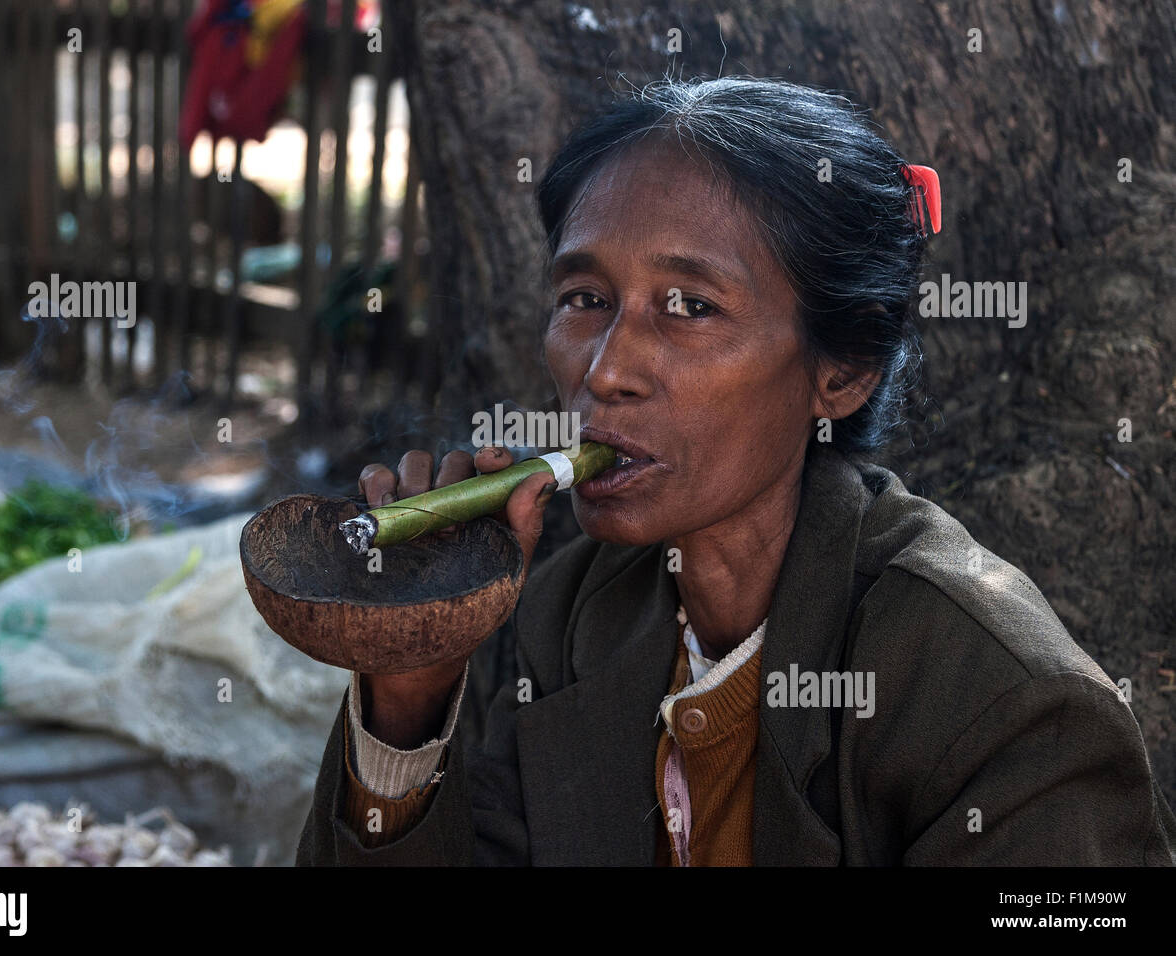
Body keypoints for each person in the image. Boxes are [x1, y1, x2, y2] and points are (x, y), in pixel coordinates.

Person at [296, 76, 1176, 866]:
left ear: (842, 371)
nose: (605, 371)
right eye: (584, 300)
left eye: (689, 306)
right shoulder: (570, 620)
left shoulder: (1006, 705)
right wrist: (407, 696)